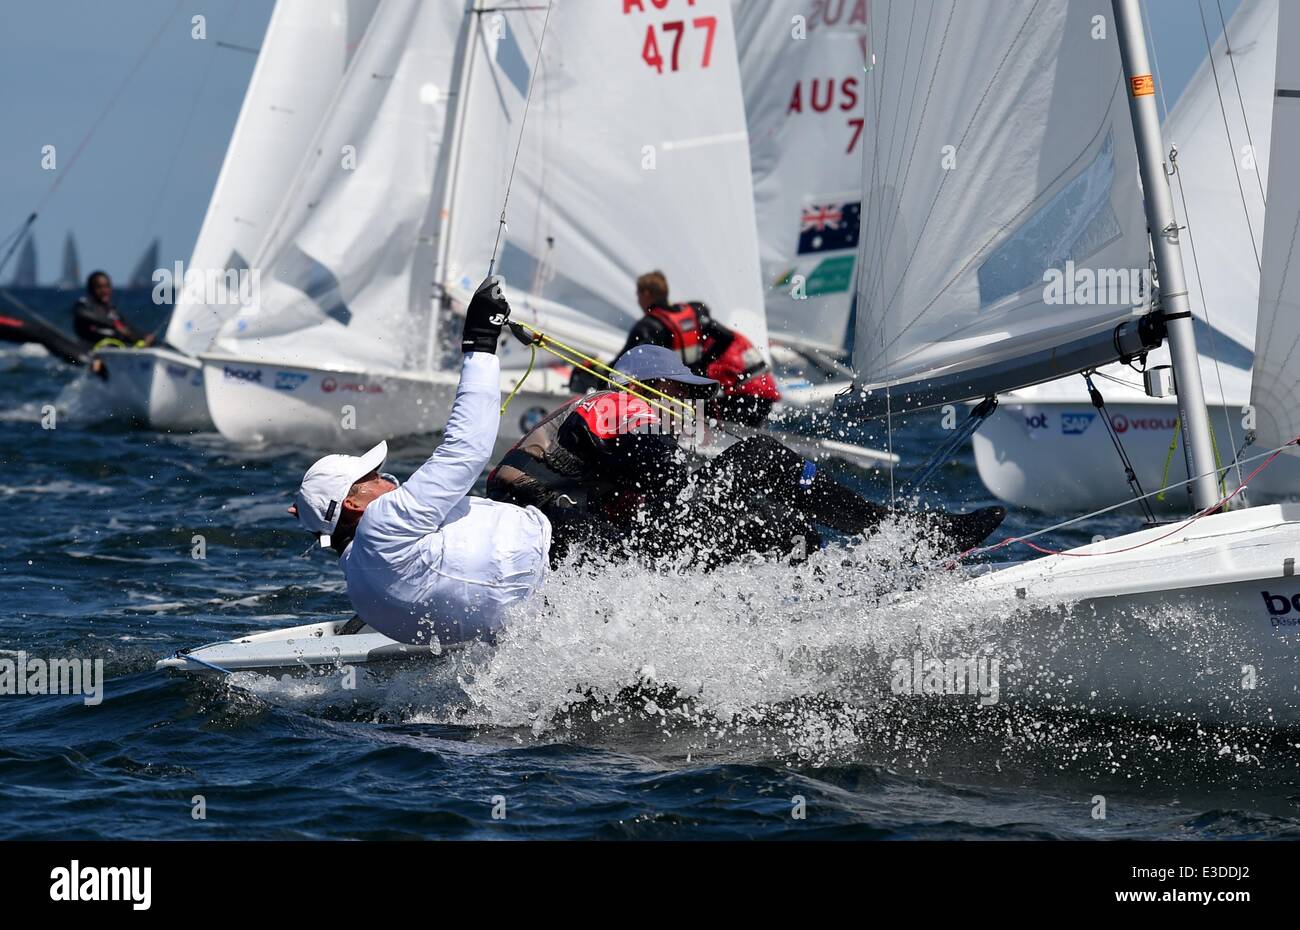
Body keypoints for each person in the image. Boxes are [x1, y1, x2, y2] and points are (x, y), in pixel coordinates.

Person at [492, 344, 1006, 569]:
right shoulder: (618, 404)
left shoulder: (603, 414)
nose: (690, 403)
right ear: (655, 386)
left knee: (783, 530)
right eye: (683, 391)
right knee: (760, 457)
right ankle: (901, 536)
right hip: (582, 551)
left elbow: (654, 485)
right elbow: (667, 477)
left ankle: (834, 597)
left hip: (589, 551)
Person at [289, 276, 552, 647]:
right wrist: (480, 343)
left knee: (501, 486)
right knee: (580, 420)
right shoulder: (383, 525)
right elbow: (466, 450)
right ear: (352, 502)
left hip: (539, 619)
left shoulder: (363, 593)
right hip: (561, 550)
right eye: (374, 477)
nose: (388, 480)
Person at [573, 270, 781, 427]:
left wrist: (597, 379)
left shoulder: (649, 326)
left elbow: (622, 366)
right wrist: (703, 363)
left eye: (638, 294)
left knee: (686, 402)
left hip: (738, 397)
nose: (637, 300)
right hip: (760, 394)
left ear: (646, 294)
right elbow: (726, 338)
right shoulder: (694, 314)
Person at [72, 271, 154, 350]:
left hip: (112, 350)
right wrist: (113, 325)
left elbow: (127, 327)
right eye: (99, 287)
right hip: (89, 349)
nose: (104, 290)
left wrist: (144, 336)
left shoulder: (111, 311)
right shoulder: (84, 304)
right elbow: (82, 314)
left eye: (107, 286)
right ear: (91, 289)